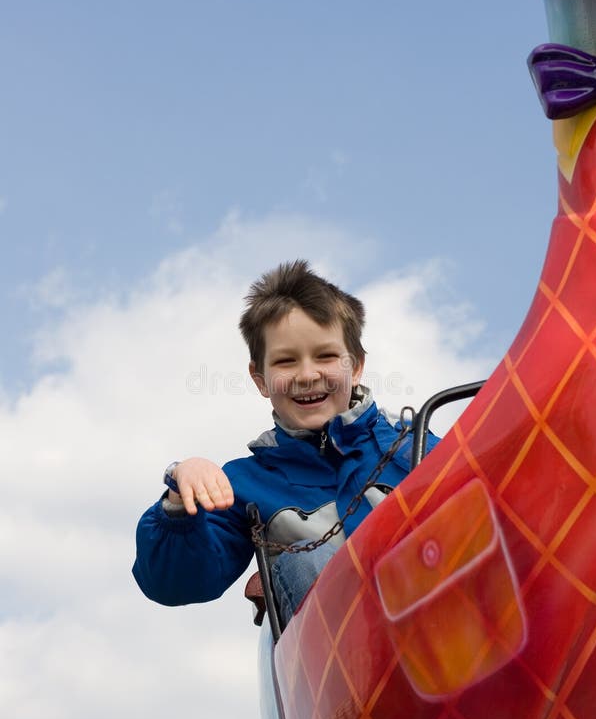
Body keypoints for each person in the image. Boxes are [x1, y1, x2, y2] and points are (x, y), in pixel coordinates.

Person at [132, 260, 438, 625]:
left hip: (442, 626)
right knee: (306, 560)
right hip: (343, 666)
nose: (307, 375)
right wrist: (181, 503)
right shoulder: (245, 485)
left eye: (325, 356)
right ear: (260, 379)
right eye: (286, 362)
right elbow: (177, 584)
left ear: (355, 366)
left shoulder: (414, 446)